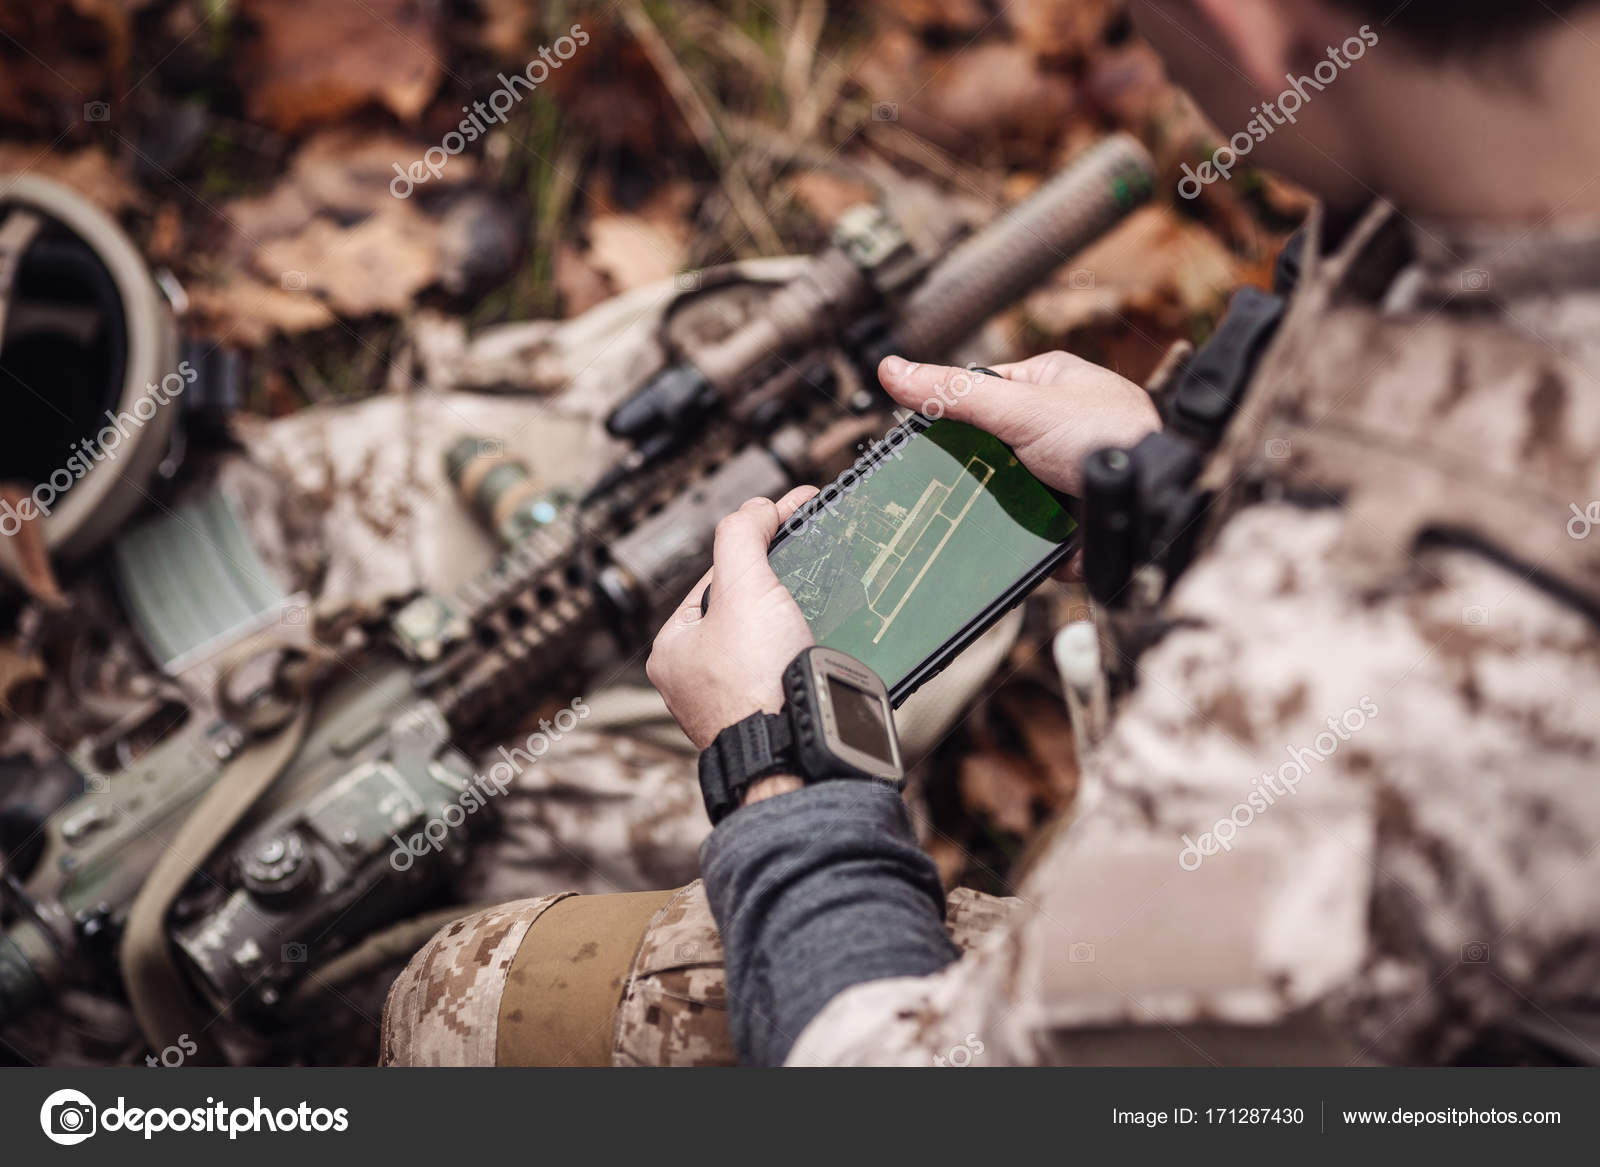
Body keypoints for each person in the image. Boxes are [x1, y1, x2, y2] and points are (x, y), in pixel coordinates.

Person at [381, 0, 1600, 1067]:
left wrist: (773, 775)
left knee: (469, 1005)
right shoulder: (1496, 176)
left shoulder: (1392, 690)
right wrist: (1167, 483)